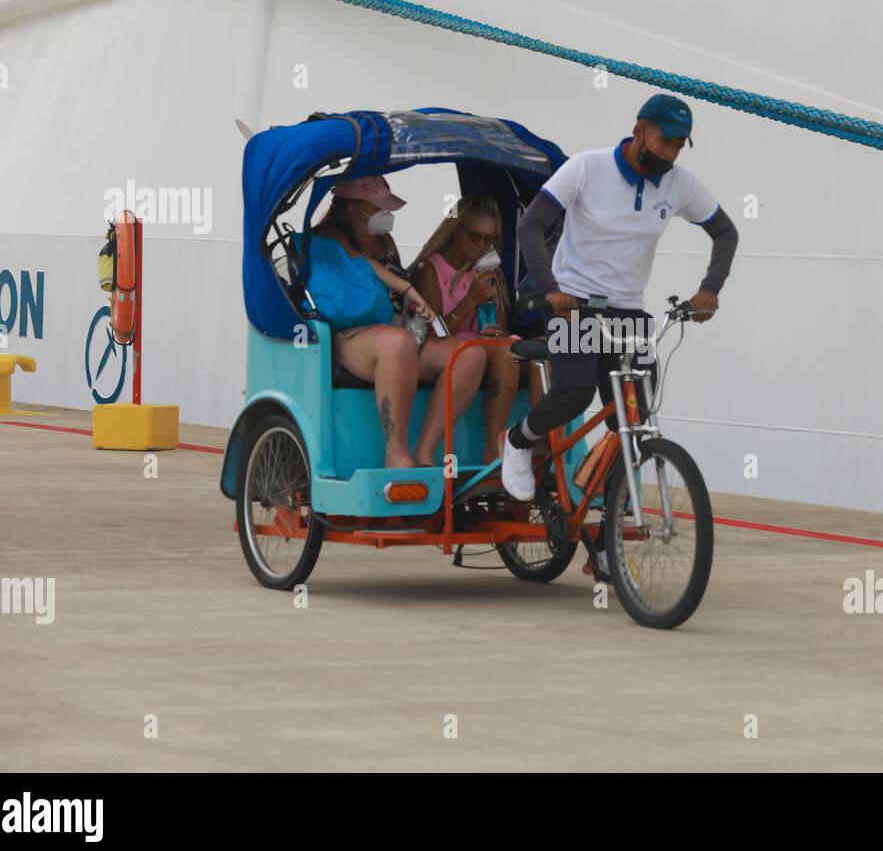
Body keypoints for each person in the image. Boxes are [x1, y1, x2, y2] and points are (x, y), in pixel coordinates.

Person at [501, 95, 740, 540]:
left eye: (678, 145)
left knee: (634, 419)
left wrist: (710, 289)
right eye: (663, 140)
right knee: (575, 393)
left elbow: (725, 232)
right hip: (575, 305)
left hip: (629, 311)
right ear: (639, 130)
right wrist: (551, 288)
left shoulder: (680, 185)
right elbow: (531, 226)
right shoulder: (586, 168)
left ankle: (611, 533)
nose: (670, 152)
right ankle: (518, 442)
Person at [310, 176, 487, 469]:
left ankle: (425, 450)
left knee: (468, 354)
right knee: (398, 343)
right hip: (352, 334)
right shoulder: (330, 235)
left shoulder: (384, 240)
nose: (387, 215)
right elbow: (367, 266)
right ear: (354, 208)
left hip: (400, 329)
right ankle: (396, 453)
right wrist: (414, 293)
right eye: (378, 208)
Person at [410, 193, 546, 463]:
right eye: (475, 236)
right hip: (443, 346)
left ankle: (543, 438)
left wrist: (495, 328)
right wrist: (470, 300)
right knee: (507, 353)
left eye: (491, 239)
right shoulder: (430, 269)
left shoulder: (486, 271)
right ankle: (493, 450)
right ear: (455, 231)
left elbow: (501, 329)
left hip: (478, 345)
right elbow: (434, 332)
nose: (483, 245)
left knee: (541, 349)